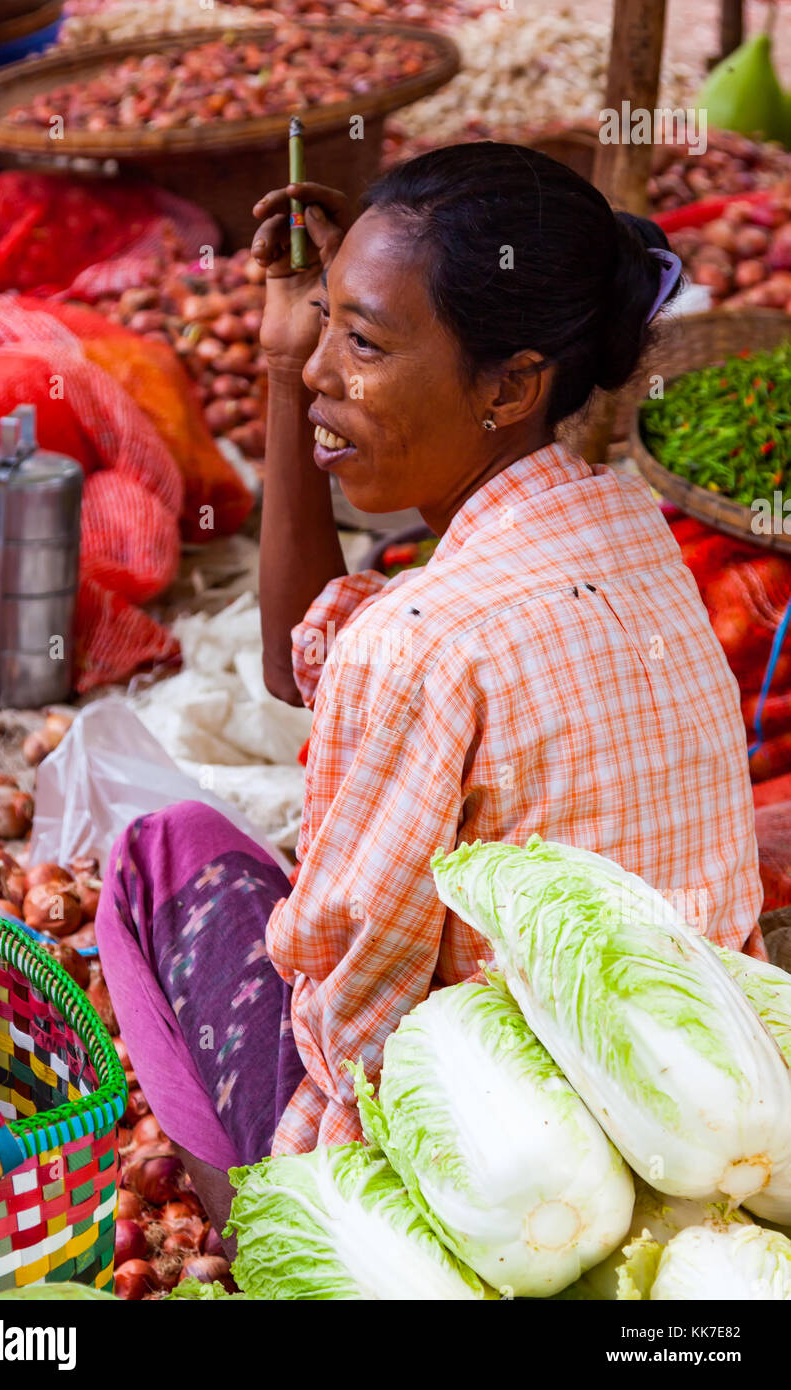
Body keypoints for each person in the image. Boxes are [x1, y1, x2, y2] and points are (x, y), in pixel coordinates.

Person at [97, 143, 764, 1237]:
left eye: (359, 341)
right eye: (323, 328)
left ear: (508, 383)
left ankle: (245, 1219)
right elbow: (300, 661)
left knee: (160, 852)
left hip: (497, 1167)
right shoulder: (630, 526)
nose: (320, 368)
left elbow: (352, 1031)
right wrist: (284, 365)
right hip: (670, 1102)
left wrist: (321, 1218)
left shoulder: (420, 643)